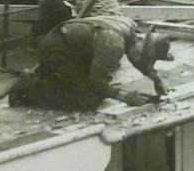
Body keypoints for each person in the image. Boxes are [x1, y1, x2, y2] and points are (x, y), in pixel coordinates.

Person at [11, 16, 173, 112]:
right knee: (87, 100)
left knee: (99, 91)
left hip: (70, 46)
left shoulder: (129, 28)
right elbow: (95, 80)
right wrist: (124, 96)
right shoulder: (114, 45)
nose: (139, 60)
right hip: (58, 49)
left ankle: (48, 80)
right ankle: (31, 87)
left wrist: (156, 79)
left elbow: (138, 59)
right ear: (141, 49)